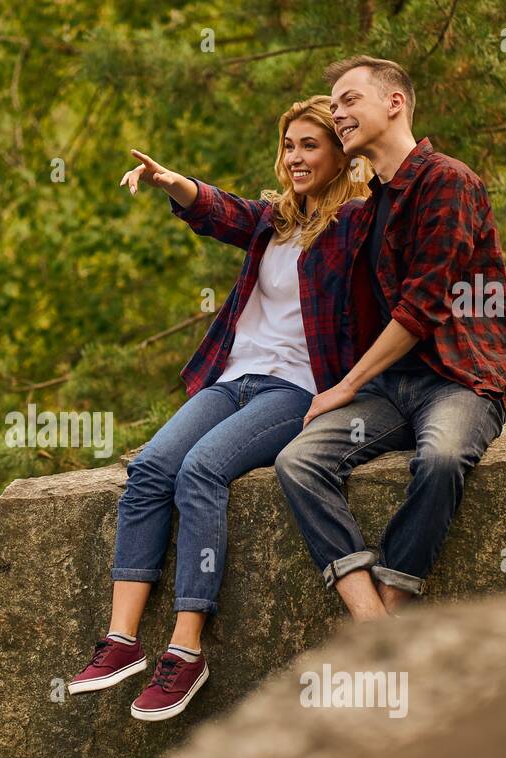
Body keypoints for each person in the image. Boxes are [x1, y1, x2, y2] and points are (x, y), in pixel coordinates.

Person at [68, 96, 370, 721]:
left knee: (203, 470)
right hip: (234, 379)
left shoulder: (355, 226)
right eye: (289, 146)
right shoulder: (274, 221)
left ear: (342, 154)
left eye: (310, 146)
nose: (295, 158)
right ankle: (123, 641)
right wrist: (168, 181)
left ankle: (185, 650)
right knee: (152, 467)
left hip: (297, 390)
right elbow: (221, 212)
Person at [275, 56, 506, 623]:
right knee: (298, 461)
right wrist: (191, 194)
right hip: (391, 391)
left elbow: (422, 305)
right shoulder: (373, 203)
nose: (338, 114)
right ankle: (372, 623)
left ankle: (395, 602)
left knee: (442, 457)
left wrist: (345, 385)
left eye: (349, 100)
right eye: (333, 107)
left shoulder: (448, 181)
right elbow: (266, 220)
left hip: (459, 381)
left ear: (394, 103)